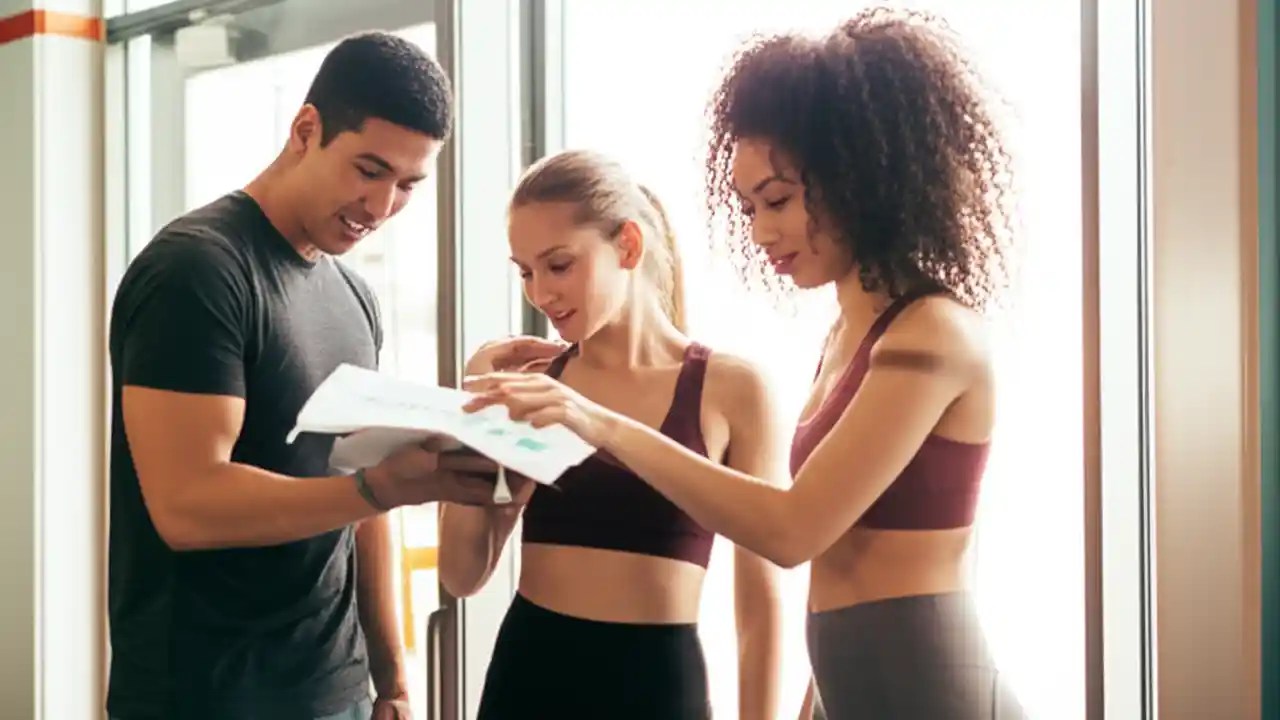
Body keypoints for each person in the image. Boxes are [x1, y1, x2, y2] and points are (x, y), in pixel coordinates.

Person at [463, 9, 1028, 720]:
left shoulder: (933, 335)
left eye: (779, 201)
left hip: (934, 694)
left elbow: (793, 532)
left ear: (860, 176)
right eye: (749, 205)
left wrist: (595, 421)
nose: (761, 231)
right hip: (849, 690)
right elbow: (846, 567)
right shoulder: (850, 338)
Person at [106, 32, 505, 720]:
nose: (382, 207)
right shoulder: (195, 273)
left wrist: (393, 680)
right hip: (203, 696)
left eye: (408, 184)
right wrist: (377, 487)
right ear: (305, 129)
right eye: (368, 169)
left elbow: (361, 501)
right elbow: (187, 505)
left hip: (336, 692)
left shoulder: (353, 296)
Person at [439, 149, 786, 719]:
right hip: (529, 678)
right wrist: (472, 408)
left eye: (558, 264)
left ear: (627, 245)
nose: (540, 293)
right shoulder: (532, 386)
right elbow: (462, 573)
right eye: (525, 271)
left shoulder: (731, 390)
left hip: (657, 688)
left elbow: (761, 606)